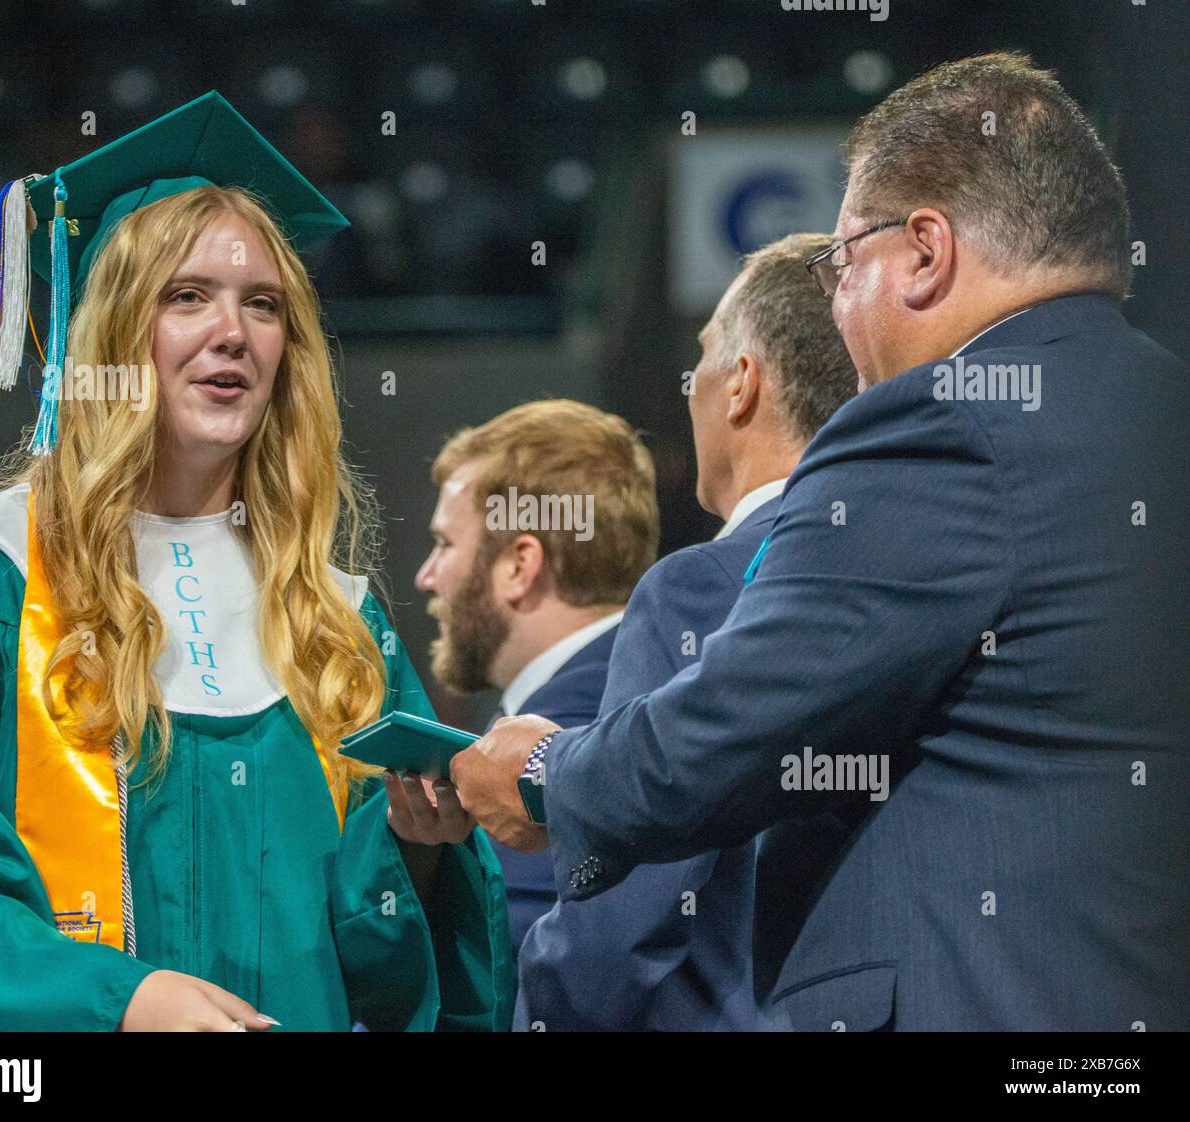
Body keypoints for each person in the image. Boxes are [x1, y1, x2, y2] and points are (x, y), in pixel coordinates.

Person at [451, 53, 1190, 1030]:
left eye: (844, 263)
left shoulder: (943, 425)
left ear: (924, 251)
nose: (838, 317)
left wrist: (547, 775)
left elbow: (728, 733)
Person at [0, 92, 512, 1032]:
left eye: (262, 305)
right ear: (108, 334)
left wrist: (416, 848)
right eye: (187, 297)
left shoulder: (334, 619)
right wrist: (122, 1001)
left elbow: (390, 961)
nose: (234, 332)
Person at [515, 234, 858, 1030]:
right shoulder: (912, 577)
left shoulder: (700, 587)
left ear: (741, 384)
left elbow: (619, 926)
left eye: (701, 359)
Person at [415, 399, 658, 959]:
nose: (426, 577)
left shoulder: (561, 741)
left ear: (520, 566)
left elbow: (497, 983)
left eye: (445, 543)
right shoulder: (642, 704)